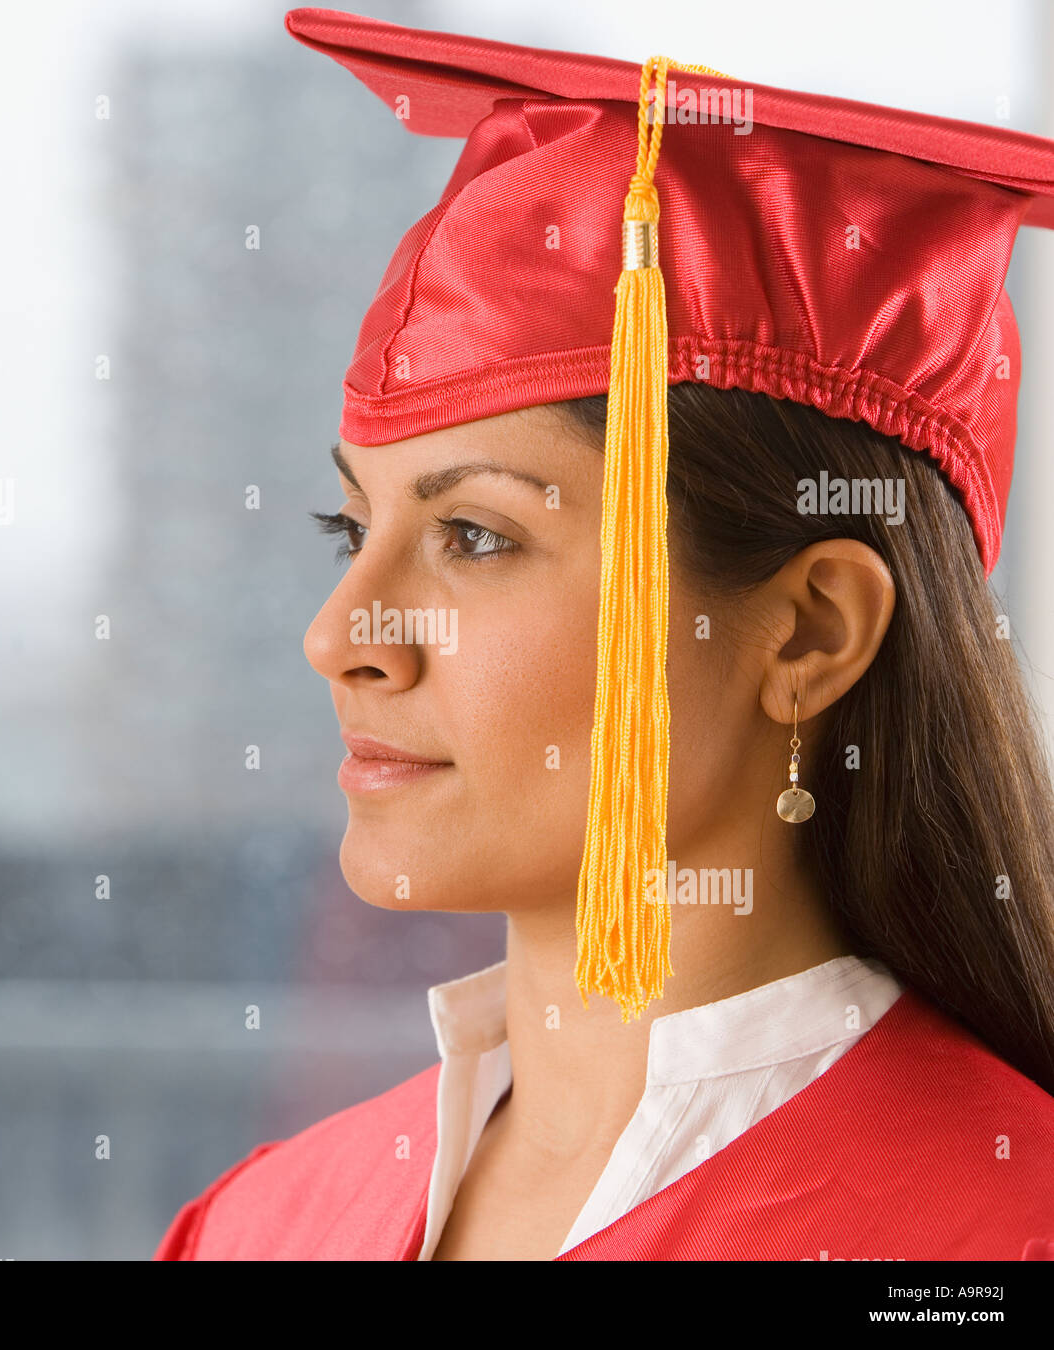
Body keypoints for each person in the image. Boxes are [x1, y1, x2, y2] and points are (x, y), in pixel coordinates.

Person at [155, 7, 1054, 1260]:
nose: (341, 635)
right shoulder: (266, 1225)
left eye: (475, 535)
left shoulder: (996, 1234)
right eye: (346, 526)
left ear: (808, 634)